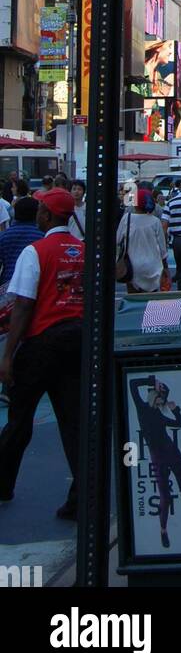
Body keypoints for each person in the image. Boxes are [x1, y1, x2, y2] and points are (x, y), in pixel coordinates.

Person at [0, 188, 85, 517]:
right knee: (74, 423)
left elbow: (23, 304)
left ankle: (3, 482)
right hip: (76, 341)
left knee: (20, 418)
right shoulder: (83, 250)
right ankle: (80, 496)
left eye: (41, 210)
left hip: (42, 342)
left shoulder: (36, 251)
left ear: (47, 215)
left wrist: (8, 355)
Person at [129, 375, 181, 549]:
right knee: (166, 496)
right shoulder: (142, 408)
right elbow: (133, 384)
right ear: (153, 397)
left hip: (171, 452)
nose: (160, 402)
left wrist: (175, 408)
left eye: (161, 400)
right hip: (158, 457)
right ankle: (163, 531)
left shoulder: (158, 413)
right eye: (159, 399)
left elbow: (179, 423)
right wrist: (150, 381)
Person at [117, 189, 169, 293]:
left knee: (133, 300)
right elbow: (162, 249)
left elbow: (118, 240)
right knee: (151, 301)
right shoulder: (155, 221)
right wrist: (165, 267)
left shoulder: (127, 218)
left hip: (132, 266)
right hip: (153, 266)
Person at [0, 197, 44, 288]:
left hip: (8, 285)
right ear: (36, 213)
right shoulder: (42, 236)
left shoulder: (4, 236)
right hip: (35, 285)